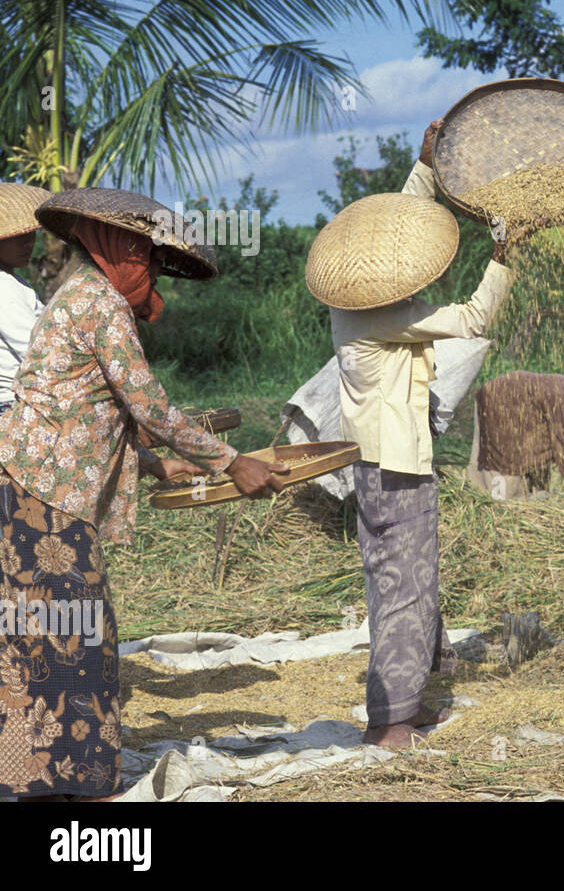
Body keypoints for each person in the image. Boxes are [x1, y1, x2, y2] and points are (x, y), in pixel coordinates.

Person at [0, 188, 286, 800]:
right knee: (78, 636)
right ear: (121, 249)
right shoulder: (97, 303)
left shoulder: (77, 295)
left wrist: (156, 466)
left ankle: (40, 778)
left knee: (41, 634)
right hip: (46, 496)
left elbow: (89, 405)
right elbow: (148, 403)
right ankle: (85, 786)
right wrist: (232, 461)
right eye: (148, 256)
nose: (153, 269)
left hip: (33, 487)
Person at [307, 120, 516, 749]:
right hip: (393, 463)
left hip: (378, 458)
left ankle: (416, 694)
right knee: (400, 581)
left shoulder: (351, 302)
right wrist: (506, 254)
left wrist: (424, 168)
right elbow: (476, 316)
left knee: (414, 573)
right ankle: (389, 719)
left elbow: (393, 237)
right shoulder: (392, 317)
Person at [467, 371, 564, 502]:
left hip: (522, 414)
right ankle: (476, 499)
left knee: (533, 492)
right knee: (504, 497)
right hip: (500, 400)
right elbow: (561, 449)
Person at [0, 183, 52, 412]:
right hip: (13, 403)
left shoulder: (17, 283)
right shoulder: (5, 288)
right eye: (19, 237)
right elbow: (36, 349)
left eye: (31, 234)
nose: (29, 243)